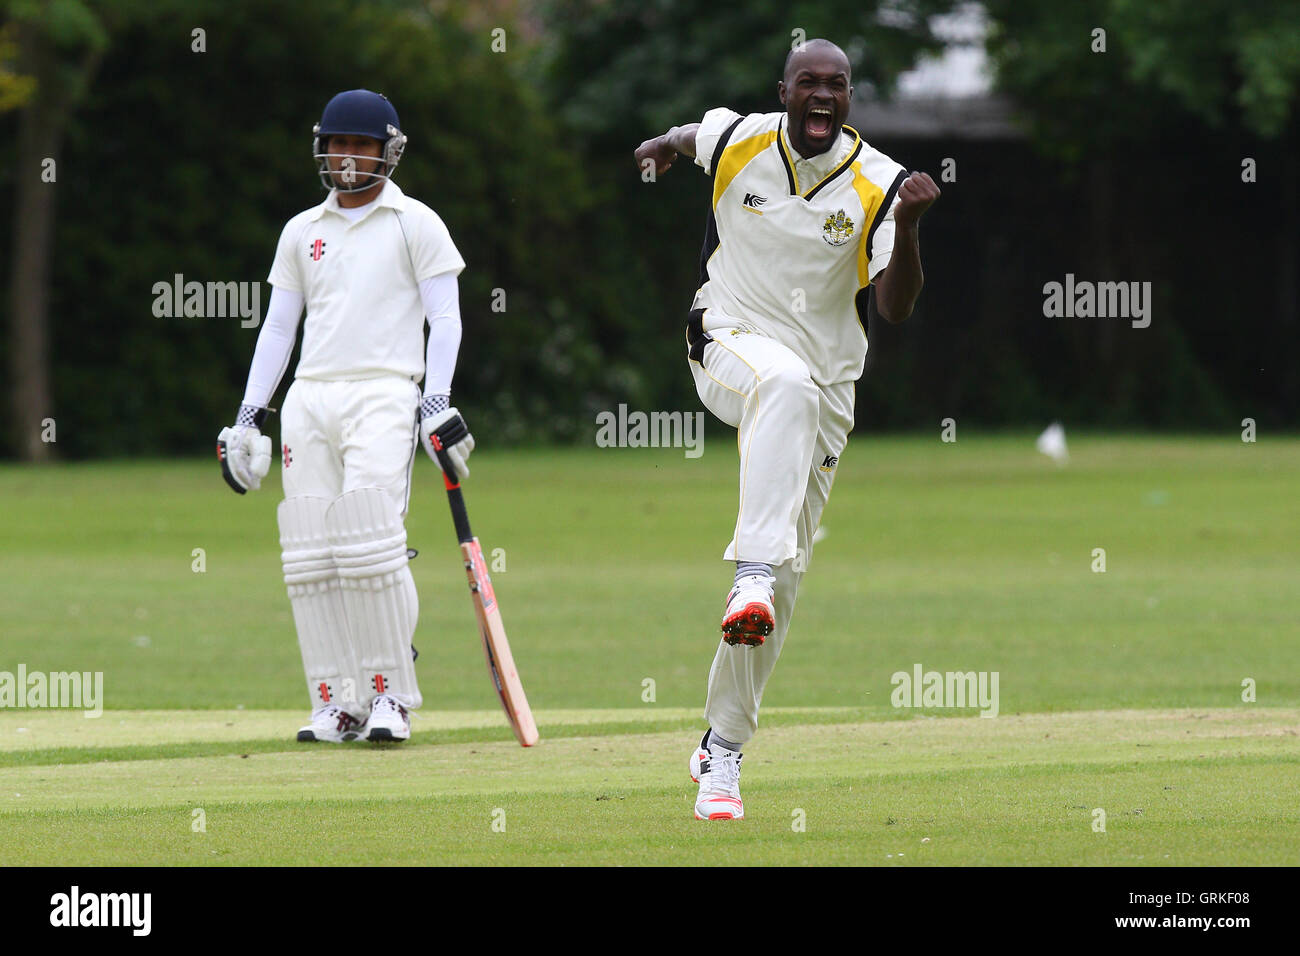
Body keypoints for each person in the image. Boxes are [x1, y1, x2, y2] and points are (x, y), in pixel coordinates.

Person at [633, 40, 939, 819]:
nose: (823, 96)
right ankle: (750, 571)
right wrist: (662, 151)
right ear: (785, 91)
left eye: (837, 86)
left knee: (785, 588)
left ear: (850, 99)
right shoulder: (739, 138)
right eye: (810, 83)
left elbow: (896, 310)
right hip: (727, 337)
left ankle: (721, 751)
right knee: (781, 383)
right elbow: (685, 136)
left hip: (828, 383)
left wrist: (907, 225)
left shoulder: (877, 182)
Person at [216, 89, 475, 743]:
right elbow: (278, 330)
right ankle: (337, 700)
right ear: (322, 149)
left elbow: (445, 318)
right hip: (311, 398)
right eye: (338, 145)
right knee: (313, 554)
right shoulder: (302, 232)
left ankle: (391, 696)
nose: (348, 157)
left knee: (370, 548)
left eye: (361, 145)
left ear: (388, 152)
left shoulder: (415, 223)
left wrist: (437, 402)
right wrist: (249, 416)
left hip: (386, 392)